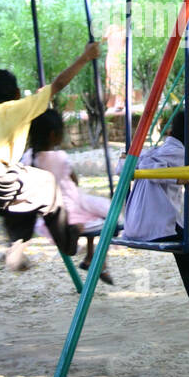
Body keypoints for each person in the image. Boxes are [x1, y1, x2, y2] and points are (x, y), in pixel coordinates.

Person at [0, 44, 100, 271]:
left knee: (25, 202)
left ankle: (16, 248)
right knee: (47, 182)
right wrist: (84, 57)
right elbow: (57, 85)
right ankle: (68, 241)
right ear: (17, 94)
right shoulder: (19, 107)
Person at [121, 109, 189, 323]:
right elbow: (157, 172)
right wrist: (180, 176)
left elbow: (127, 165)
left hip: (134, 224)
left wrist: (128, 158)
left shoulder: (153, 151)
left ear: (169, 131)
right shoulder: (178, 156)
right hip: (157, 227)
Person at [25, 108, 116, 283]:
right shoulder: (59, 157)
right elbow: (75, 180)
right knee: (110, 215)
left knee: (93, 211)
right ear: (53, 135)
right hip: (69, 207)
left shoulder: (27, 157)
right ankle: (98, 259)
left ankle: (90, 257)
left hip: (46, 212)